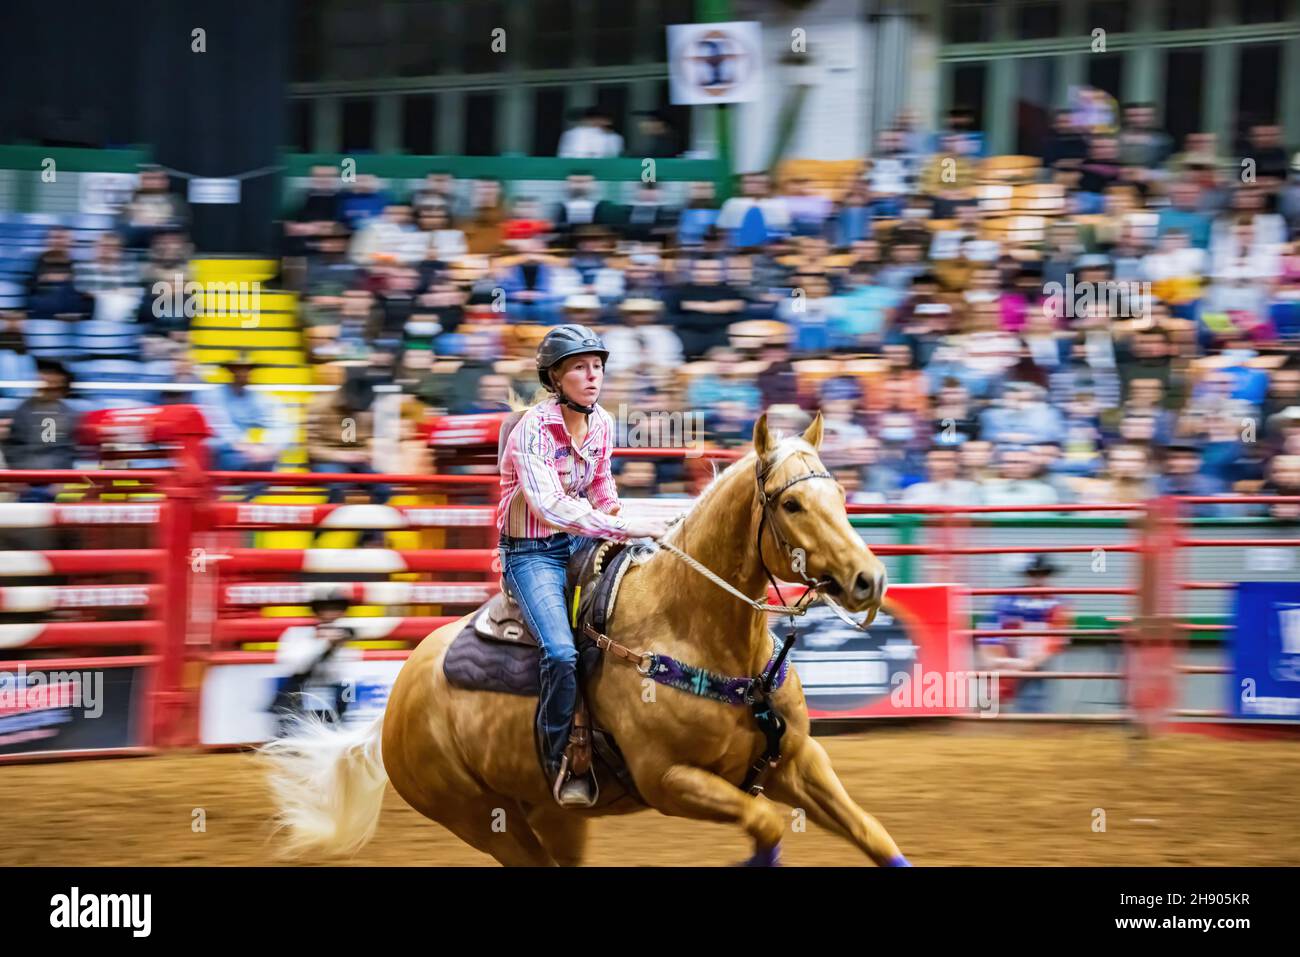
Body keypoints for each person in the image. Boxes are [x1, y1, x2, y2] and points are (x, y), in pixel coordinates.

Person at [496, 324, 670, 807]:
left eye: (597, 366)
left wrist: (624, 517)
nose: (592, 376)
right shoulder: (532, 427)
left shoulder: (601, 425)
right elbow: (548, 504)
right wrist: (620, 528)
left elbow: (601, 489)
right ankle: (553, 758)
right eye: (579, 367)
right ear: (555, 377)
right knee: (560, 652)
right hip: (531, 553)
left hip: (579, 540)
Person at [978, 554, 1069, 714]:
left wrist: (1030, 663)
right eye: (1033, 573)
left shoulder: (1057, 603)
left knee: (1031, 708)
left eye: (1043, 573)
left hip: (1033, 666)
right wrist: (993, 659)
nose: (1038, 578)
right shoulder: (1007, 599)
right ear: (1026, 574)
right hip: (1003, 661)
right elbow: (990, 629)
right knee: (987, 707)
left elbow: (1055, 638)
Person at [268, 593, 362, 736]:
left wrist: (336, 646)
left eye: (336, 609)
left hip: (333, 685)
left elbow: (346, 672)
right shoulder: (298, 633)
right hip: (302, 683)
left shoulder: (347, 635)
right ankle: (285, 732)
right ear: (317, 612)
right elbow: (292, 665)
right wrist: (320, 643)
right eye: (325, 609)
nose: (330, 613)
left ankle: (339, 727)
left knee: (348, 687)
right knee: (289, 689)